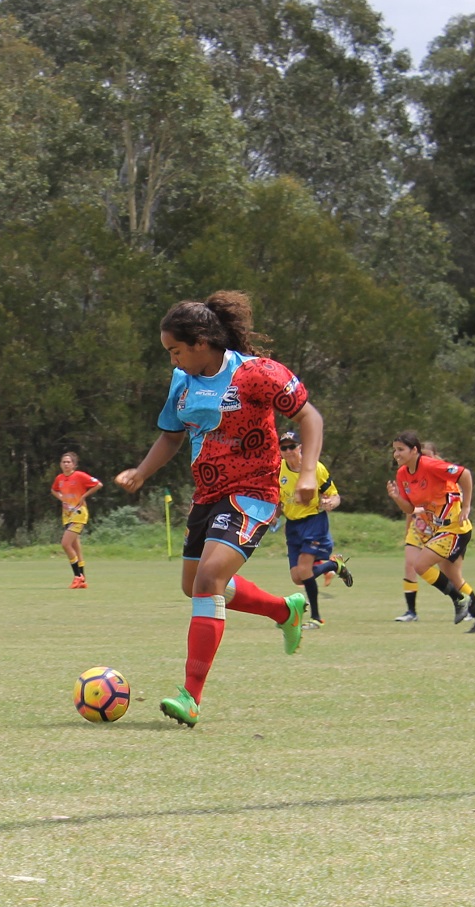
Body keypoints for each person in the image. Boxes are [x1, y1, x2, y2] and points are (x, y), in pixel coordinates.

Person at [114, 292, 321, 728]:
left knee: (210, 579)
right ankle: (286, 611)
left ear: (202, 341)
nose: (172, 359)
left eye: (175, 350)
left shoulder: (256, 373)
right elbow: (171, 436)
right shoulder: (182, 381)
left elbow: (310, 418)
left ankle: (191, 695)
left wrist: (305, 477)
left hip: (254, 492)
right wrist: (142, 471)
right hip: (208, 495)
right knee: (196, 586)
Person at [388, 430, 475, 633]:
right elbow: (409, 509)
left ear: (414, 450)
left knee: (420, 565)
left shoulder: (430, 464)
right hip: (441, 529)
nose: (396, 454)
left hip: (455, 528)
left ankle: (459, 599)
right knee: (453, 577)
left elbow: (465, 474)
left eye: (401, 449)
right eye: (394, 450)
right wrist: (396, 497)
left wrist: (467, 506)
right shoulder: (402, 475)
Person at [276, 429, 352, 627]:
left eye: (292, 446)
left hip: (314, 521)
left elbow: (334, 495)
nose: (288, 451)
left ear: (301, 447)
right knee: (297, 578)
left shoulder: (315, 469)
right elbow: (277, 499)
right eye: (283, 448)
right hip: (292, 525)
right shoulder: (277, 470)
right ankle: (334, 565)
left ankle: (316, 617)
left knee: (304, 568)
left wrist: (331, 503)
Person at [393, 440, 439, 621]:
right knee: (410, 565)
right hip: (418, 527)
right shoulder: (409, 476)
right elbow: (409, 507)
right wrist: (407, 529)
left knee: (449, 571)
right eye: (423, 455)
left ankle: (463, 604)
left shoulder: (442, 474)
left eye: (428, 455)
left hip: (440, 528)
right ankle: (411, 611)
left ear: (435, 457)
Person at [51, 453, 102, 588]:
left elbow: (98, 484)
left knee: (65, 544)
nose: (66, 464)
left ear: (74, 464)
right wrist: (61, 498)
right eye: (63, 462)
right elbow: (54, 490)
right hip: (67, 514)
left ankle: (77, 576)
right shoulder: (60, 478)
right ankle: (82, 579)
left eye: (68, 462)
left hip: (79, 514)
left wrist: (84, 496)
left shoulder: (79, 476)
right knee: (75, 547)